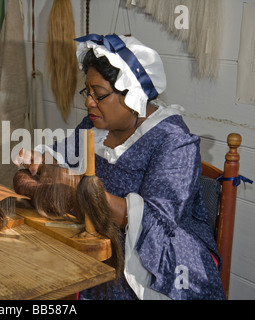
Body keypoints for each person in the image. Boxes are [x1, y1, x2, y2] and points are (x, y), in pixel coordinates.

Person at [13, 34, 225, 300]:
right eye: (87, 92)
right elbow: (63, 154)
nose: (89, 102)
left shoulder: (174, 142)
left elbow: (156, 226)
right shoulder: (96, 124)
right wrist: (40, 160)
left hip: (160, 257)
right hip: (102, 234)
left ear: (134, 96)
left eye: (99, 95)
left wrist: (80, 186)